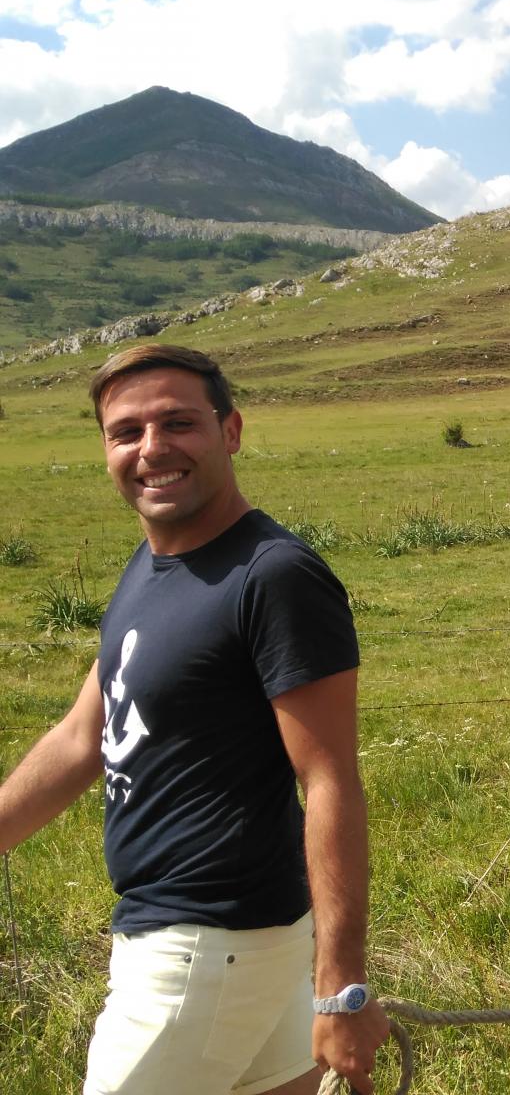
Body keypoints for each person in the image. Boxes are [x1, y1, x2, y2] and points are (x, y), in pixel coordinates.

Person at [0, 344, 389, 1094]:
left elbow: (330, 776)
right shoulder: (150, 567)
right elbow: (83, 737)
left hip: (200, 953)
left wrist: (342, 988)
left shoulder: (272, 576)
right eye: (126, 432)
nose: (153, 449)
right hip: (240, 950)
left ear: (231, 431)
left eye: (179, 423)